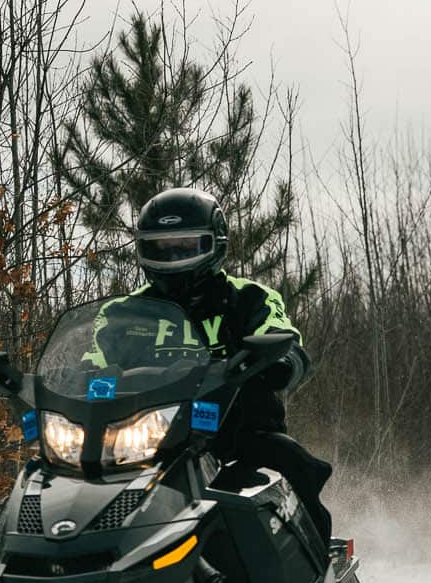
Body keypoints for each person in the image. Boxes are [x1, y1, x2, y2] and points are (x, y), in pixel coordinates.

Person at [120, 186, 334, 541]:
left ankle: (315, 560)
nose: (173, 255)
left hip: (237, 434)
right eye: (161, 247)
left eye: (186, 246)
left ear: (214, 244)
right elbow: (91, 359)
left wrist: (281, 360)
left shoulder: (249, 298)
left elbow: (282, 335)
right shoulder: (123, 314)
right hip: (142, 443)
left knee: (292, 463)